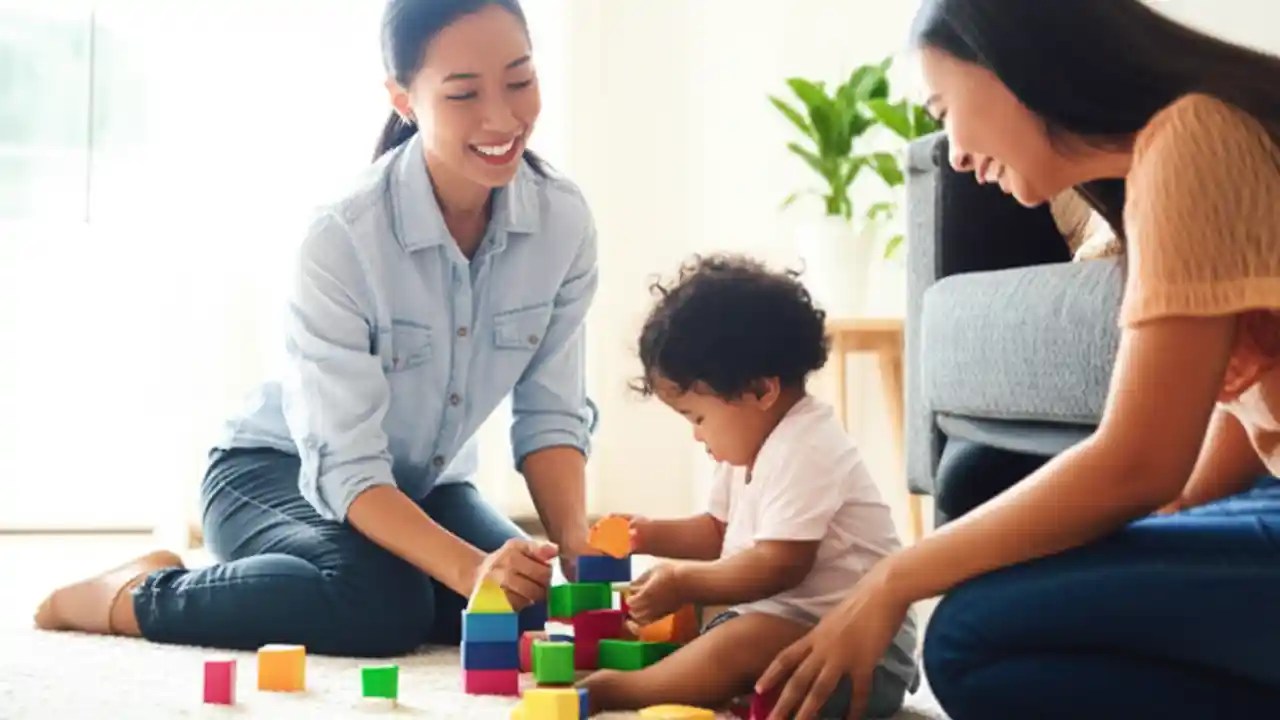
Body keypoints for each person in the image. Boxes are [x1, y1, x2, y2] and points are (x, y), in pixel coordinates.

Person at [757, 1, 1280, 717]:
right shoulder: (1188, 142)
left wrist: (891, 580)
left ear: (1014, 62)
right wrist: (1150, 537)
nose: (956, 153)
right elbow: (1218, 441)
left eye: (943, 108)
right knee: (989, 511)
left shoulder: (1194, 135)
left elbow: (1136, 463)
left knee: (970, 634)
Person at [33, 0, 600, 657]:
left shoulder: (561, 221)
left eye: (520, 81)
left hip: (421, 483)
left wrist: (580, 552)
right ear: (403, 98)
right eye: (464, 93)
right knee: (383, 608)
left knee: (524, 606)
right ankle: (132, 593)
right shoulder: (344, 236)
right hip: (274, 471)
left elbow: (552, 415)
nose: (501, 117)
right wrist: (472, 570)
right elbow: (349, 469)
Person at [580, 255, 918, 717]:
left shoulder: (807, 445)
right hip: (791, 628)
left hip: (862, 654)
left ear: (760, 391)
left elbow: (780, 565)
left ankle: (621, 692)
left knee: (738, 633)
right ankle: (691, 677)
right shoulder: (747, 445)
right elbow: (717, 533)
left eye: (698, 418)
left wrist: (684, 580)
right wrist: (647, 534)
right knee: (701, 619)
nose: (697, 434)